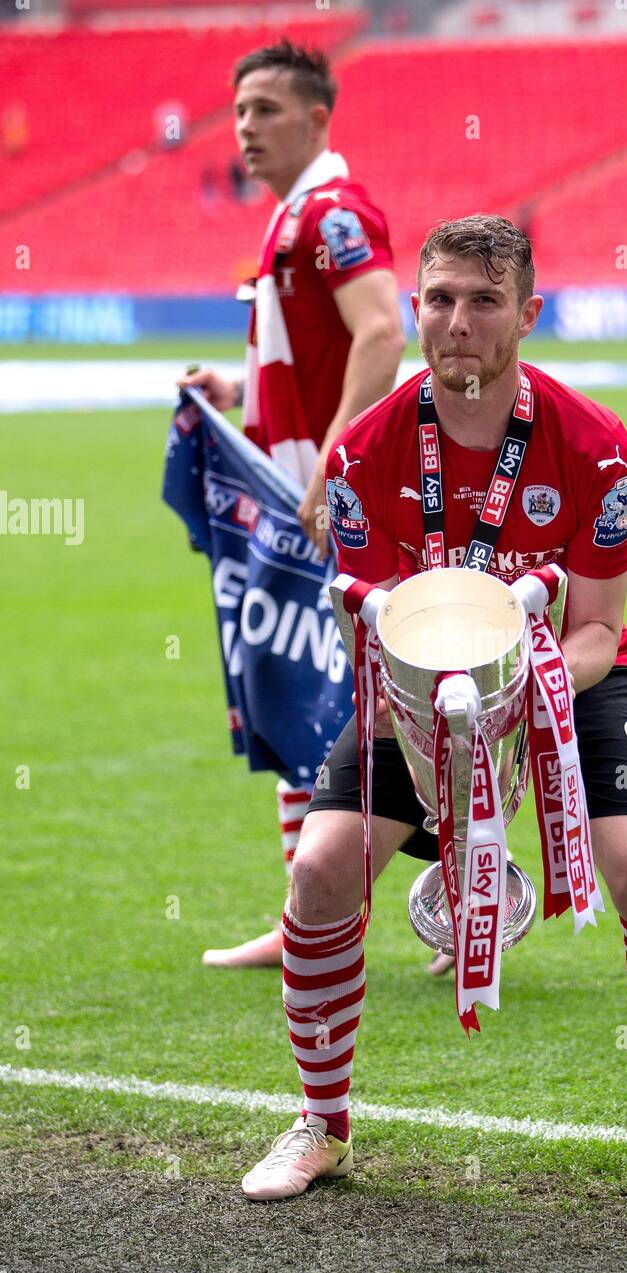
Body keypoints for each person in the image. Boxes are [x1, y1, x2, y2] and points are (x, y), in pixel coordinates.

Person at [240, 215, 627, 1209]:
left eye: (482, 300)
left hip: (569, 686)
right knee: (319, 866)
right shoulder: (364, 455)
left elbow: (599, 626)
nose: (456, 321)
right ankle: (319, 1120)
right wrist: (422, 709)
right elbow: (366, 620)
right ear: (415, 308)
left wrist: (523, 694)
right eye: (437, 298)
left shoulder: (595, 447)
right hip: (414, 696)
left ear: (527, 311)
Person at [177, 40, 404, 967]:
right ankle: (313, 916)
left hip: (325, 505)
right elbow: (313, 354)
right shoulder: (291, 219)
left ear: (317, 119)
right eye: (238, 113)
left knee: (348, 696)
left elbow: (382, 333)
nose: (245, 129)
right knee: (302, 687)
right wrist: (240, 390)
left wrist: (332, 463)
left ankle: (465, 886)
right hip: (298, 494)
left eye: (265, 110)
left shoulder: (334, 215)